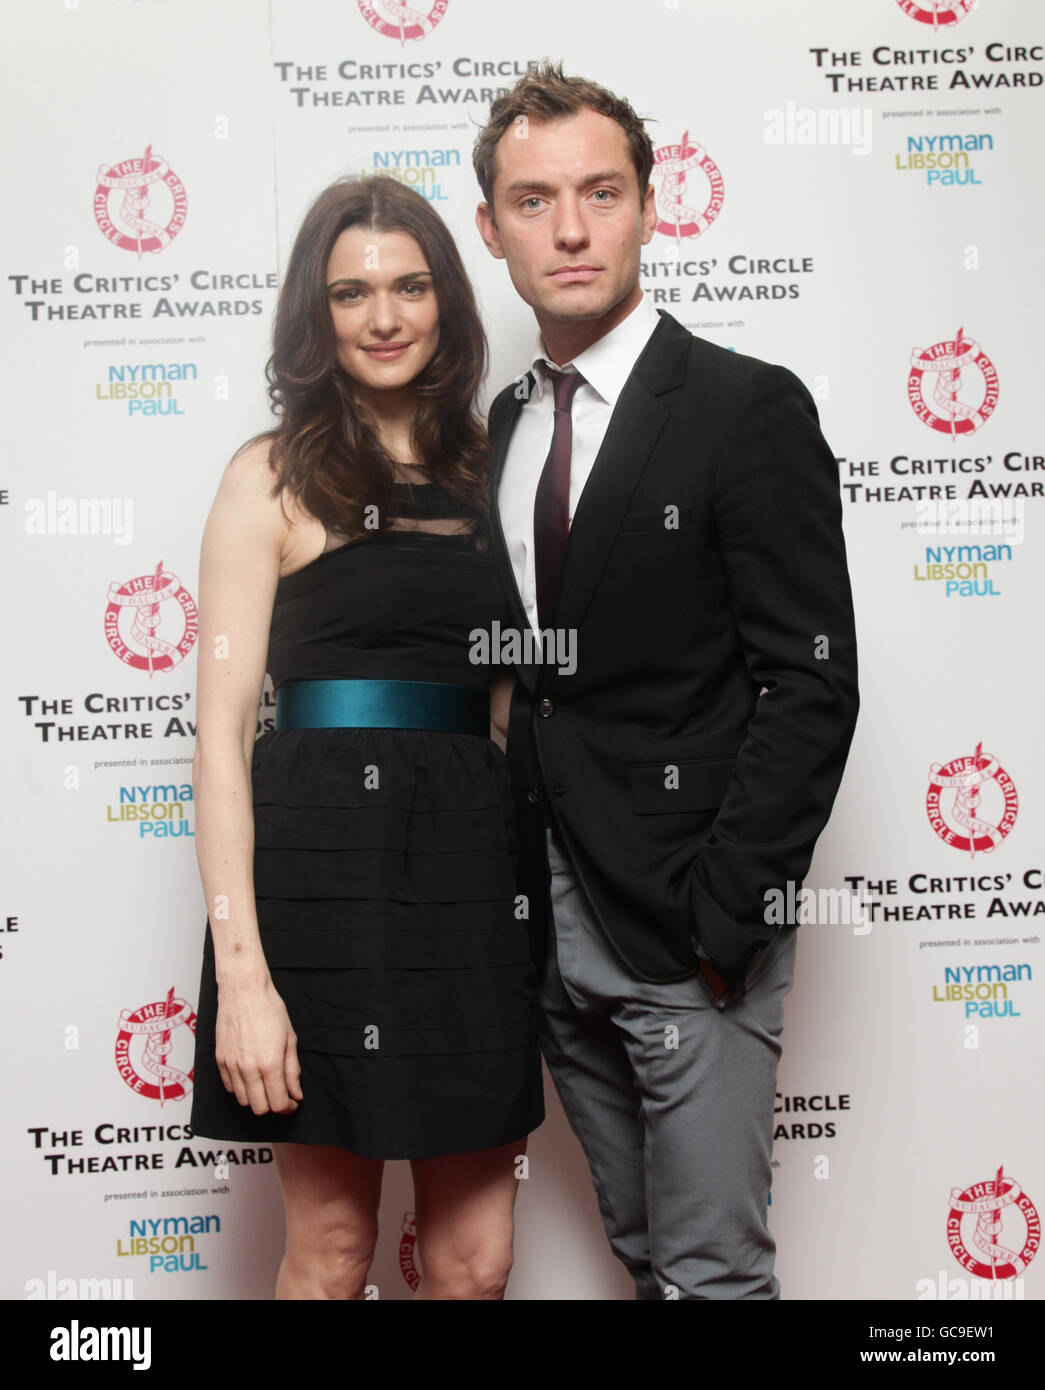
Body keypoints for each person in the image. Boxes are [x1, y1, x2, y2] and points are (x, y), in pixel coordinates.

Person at [472, 62, 859, 1299]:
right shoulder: (504, 425)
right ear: (490, 228)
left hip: (688, 917)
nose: (570, 229)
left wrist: (725, 918)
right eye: (533, 201)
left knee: (710, 1270)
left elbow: (811, 680)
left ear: (650, 204)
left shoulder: (744, 408)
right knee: (647, 1258)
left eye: (600, 192)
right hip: (545, 917)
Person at [188, 174, 543, 1301]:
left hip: (468, 885)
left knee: (475, 1263)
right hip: (314, 886)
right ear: (316, 312)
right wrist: (242, 973)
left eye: (408, 285)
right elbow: (219, 731)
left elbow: (509, 710)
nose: (383, 316)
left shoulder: (500, 470)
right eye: (351, 293)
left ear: (447, 303)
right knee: (334, 1253)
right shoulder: (270, 476)